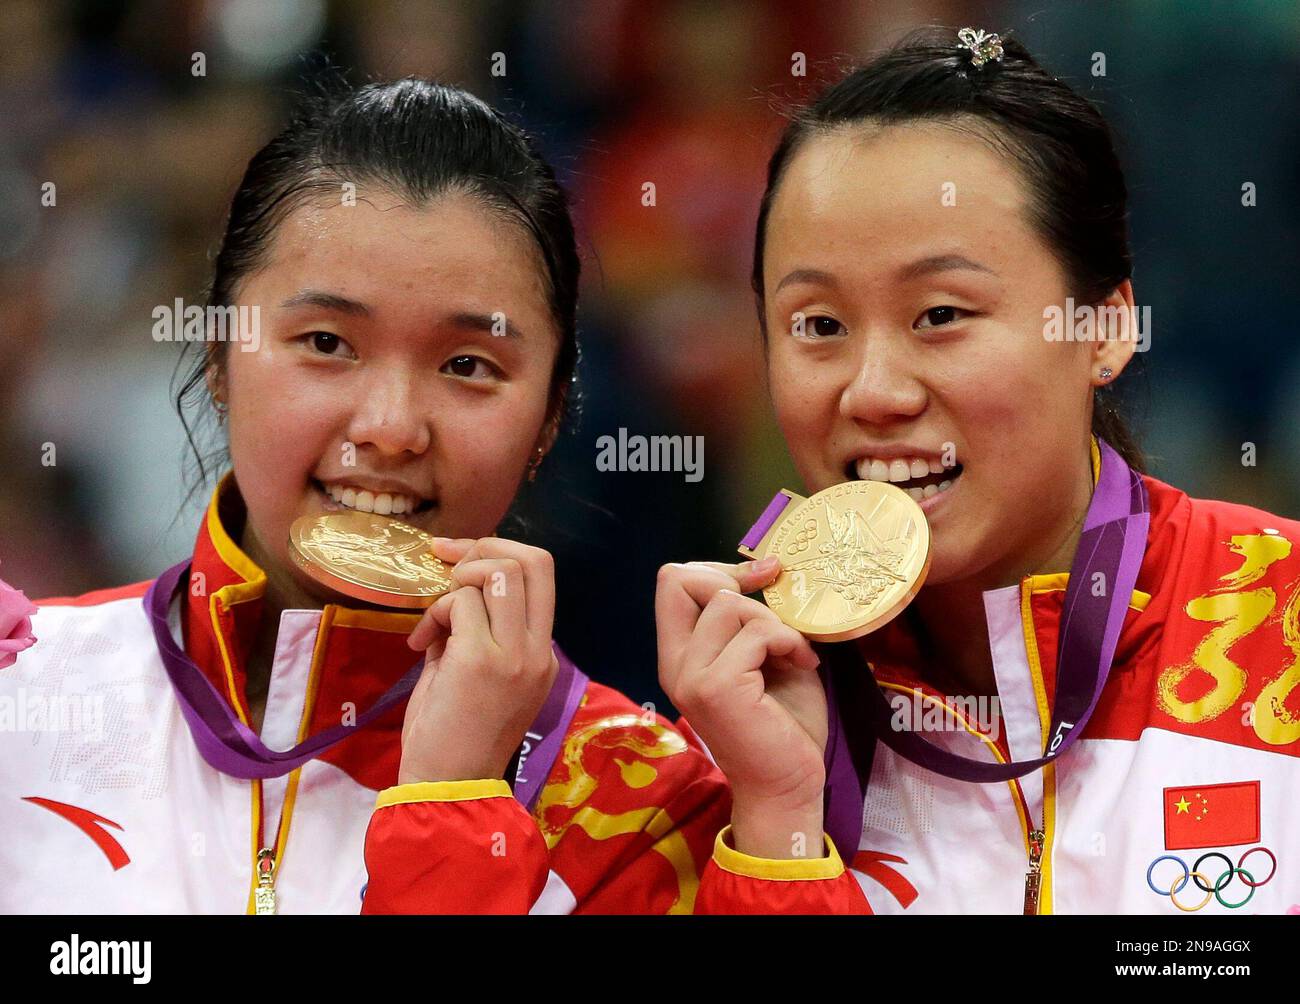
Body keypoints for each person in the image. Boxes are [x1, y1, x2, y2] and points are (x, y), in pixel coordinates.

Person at [0, 78, 738, 914]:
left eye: (468, 366)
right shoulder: (26, 690)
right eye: (326, 343)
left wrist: (452, 803)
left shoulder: (637, 807)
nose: (391, 429)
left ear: (548, 421)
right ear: (219, 357)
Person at [657, 28, 1300, 914]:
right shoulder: (729, 734)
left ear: (1105, 326)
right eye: (818, 325)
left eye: (942, 312)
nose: (873, 392)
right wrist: (778, 828)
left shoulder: (1283, 623)